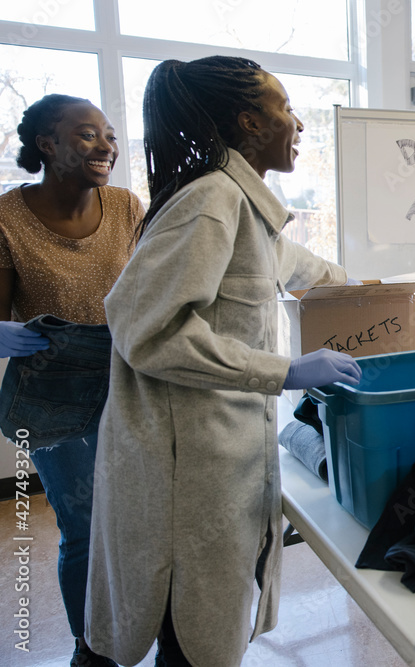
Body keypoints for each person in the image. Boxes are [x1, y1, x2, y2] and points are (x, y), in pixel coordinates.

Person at [84, 56, 363, 667]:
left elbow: (299, 267)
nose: (298, 123)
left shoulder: (248, 210)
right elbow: (147, 330)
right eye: (285, 108)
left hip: (221, 454)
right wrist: (284, 372)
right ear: (249, 122)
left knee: (206, 614)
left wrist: (366, 290)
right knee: (185, 620)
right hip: (185, 465)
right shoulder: (212, 202)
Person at [0, 94, 144, 666]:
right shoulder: (7, 218)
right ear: (47, 144)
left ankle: (130, 629)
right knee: (85, 525)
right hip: (52, 395)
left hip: (127, 380)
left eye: (109, 135)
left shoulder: (127, 207)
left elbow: (146, 289)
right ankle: (93, 650)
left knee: (134, 518)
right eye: (87, 134)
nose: (105, 145)